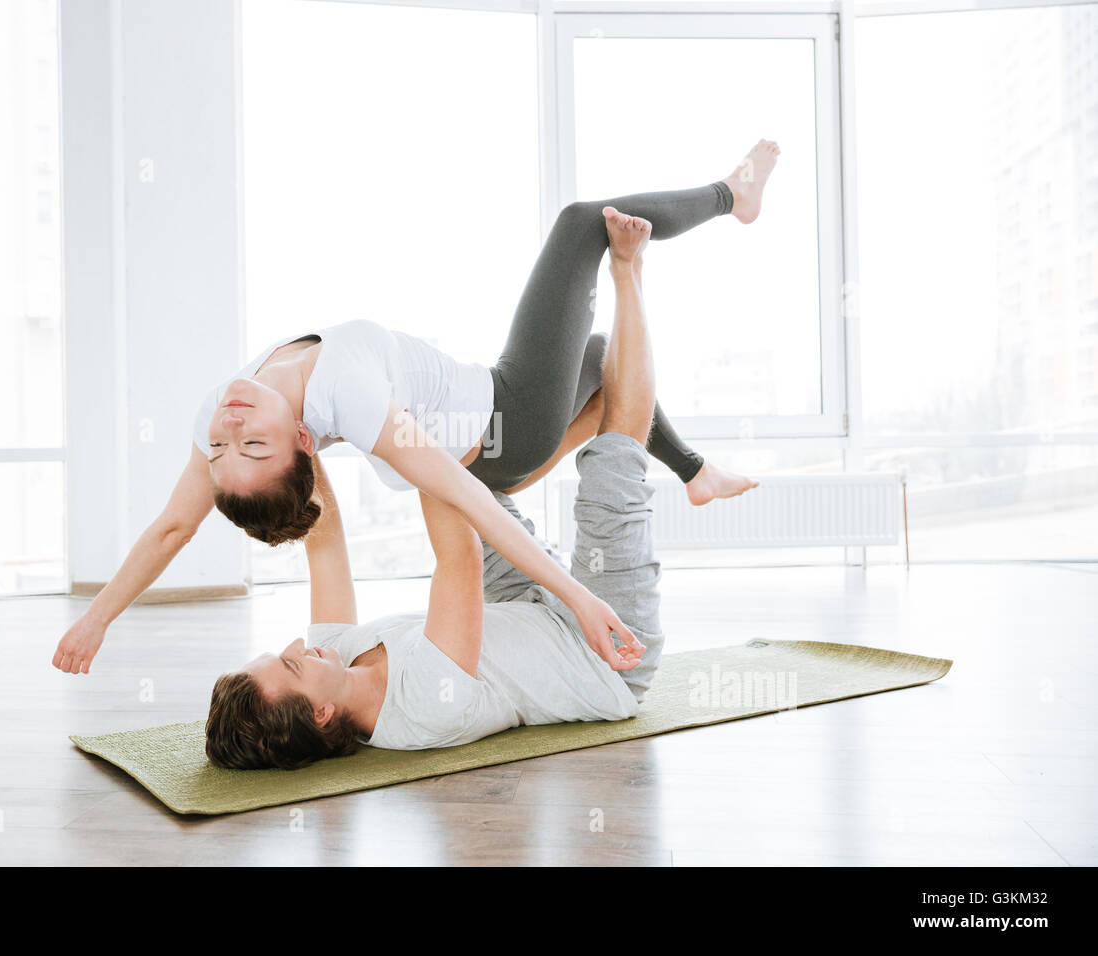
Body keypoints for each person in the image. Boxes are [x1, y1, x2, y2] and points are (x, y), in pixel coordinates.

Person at [52, 141, 780, 677]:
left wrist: (96, 618)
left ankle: (694, 471)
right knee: (582, 223)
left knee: (599, 357)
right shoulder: (355, 401)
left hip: (491, 407)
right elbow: (470, 498)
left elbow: (174, 525)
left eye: (223, 449)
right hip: (504, 426)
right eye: (251, 448)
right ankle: (732, 195)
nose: (229, 432)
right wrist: (579, 600)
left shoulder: (225, 407)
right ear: (305, 440)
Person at [206, 204, 679, 767]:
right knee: (611, 459)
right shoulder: (427, 705)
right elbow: (458, 558)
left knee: (486, 456)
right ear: (322, 715)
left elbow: (325, 544)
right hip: (602, 653)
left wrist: (293, 441)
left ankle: (605, 391)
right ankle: (630, 272)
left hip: (517, 607)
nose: (294, 647)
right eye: (290, 665)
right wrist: (399, 431)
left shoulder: (334, 659)